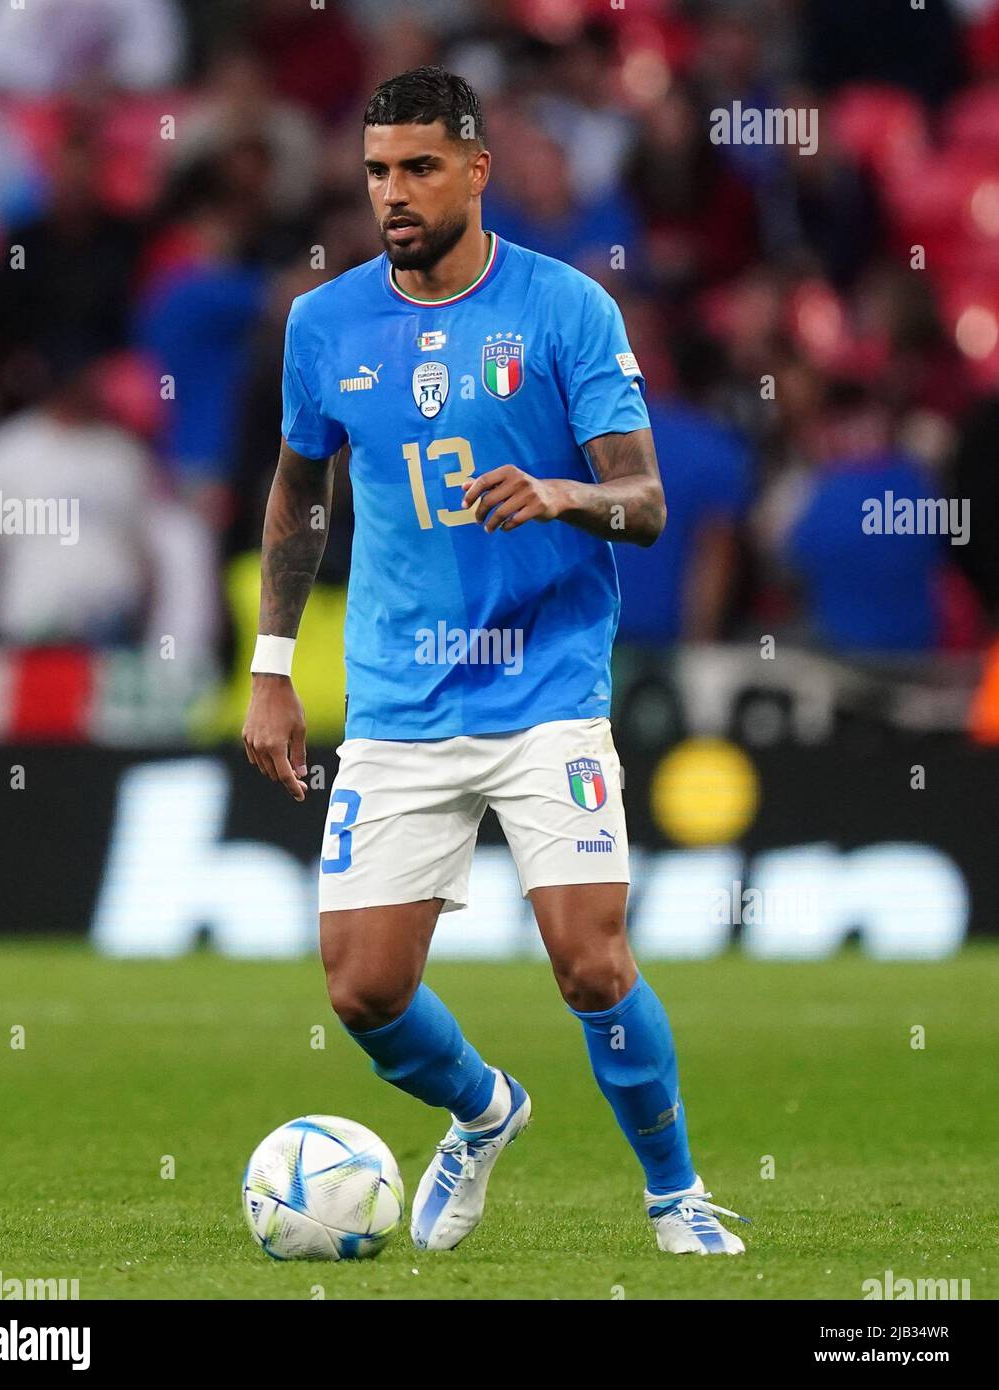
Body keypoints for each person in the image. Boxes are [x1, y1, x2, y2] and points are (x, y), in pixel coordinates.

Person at [241, 67, 749, 1256]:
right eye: (376, 171)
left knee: (589, 959)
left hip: (545, 688)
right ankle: (482, 1109)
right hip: (399, 700)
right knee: (362, 990)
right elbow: (297, 498)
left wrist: (562, 491)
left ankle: (675, 1195)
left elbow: (647, 502)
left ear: (477, 170)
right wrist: (271, 665)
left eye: (419, 167)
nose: (394, 193)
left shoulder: (567, 309)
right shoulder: (325, 325)